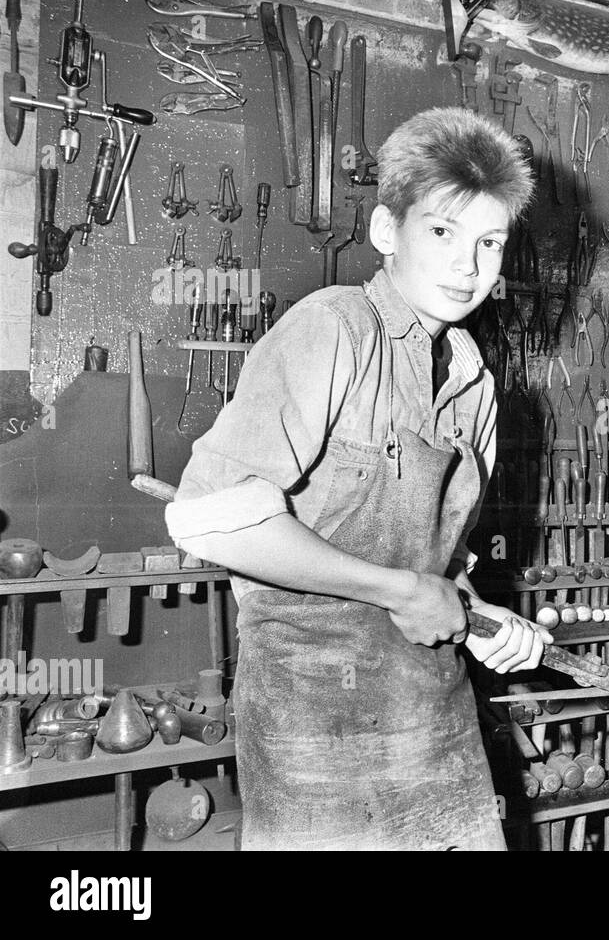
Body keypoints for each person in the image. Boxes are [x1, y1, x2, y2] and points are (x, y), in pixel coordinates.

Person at [165, 108, 551, 850]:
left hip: (434, 715)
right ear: (385, 231)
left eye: (490, 242)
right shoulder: (333, 328)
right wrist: (402, 592)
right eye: (442, 232)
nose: (468, 265)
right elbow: (207, 518)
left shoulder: (474, 382)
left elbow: (438, 565)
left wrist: (479, 620)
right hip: (313, 723)